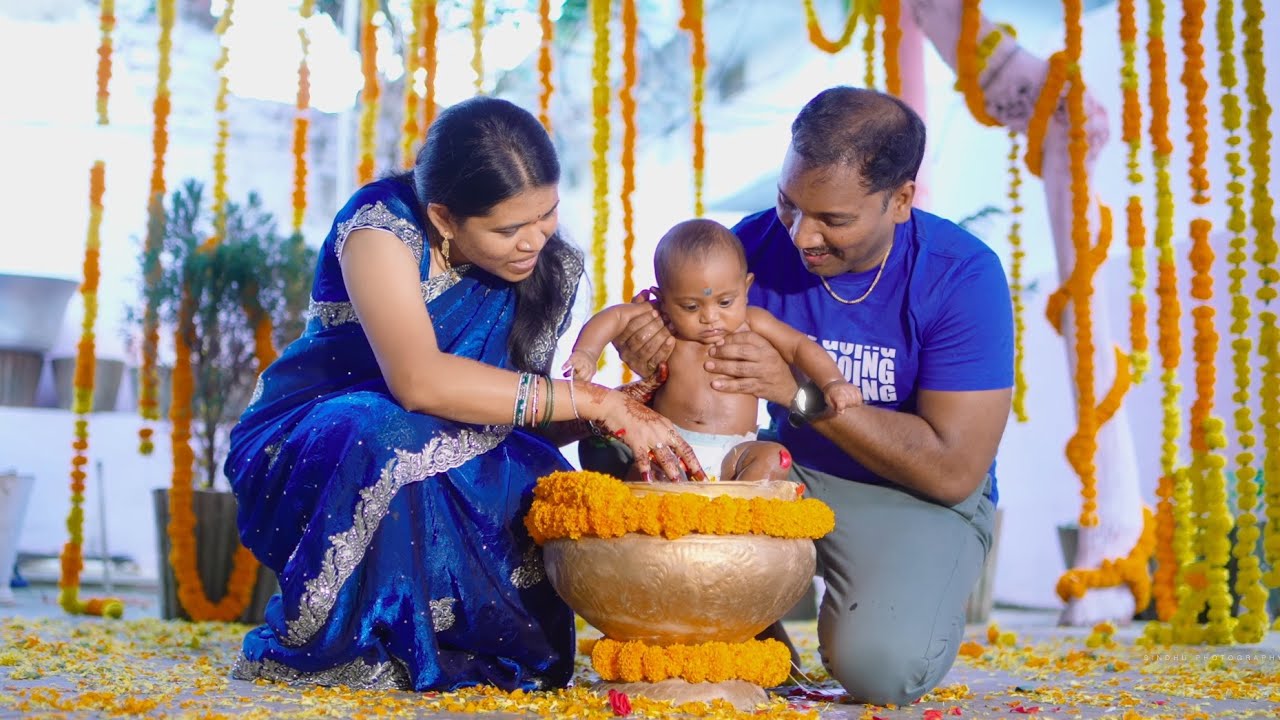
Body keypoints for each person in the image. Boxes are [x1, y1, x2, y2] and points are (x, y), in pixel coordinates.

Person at [224, 96, 704, 693]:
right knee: (377, 426)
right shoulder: (380, 228)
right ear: (445, 218)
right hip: (320, 436)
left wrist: (620, 405)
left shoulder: (533, 265)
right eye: (509, 229)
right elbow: (419, 383)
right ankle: (356, 639)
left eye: (548, 214)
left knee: (541, 473)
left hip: (455, 438)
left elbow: (513, 414)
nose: (535, 240)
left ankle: (464, 638)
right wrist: (591, 401)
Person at [599, 86, 1014, 705]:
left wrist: (795, 393)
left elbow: (952, 469)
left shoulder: (960, 276)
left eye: (833, 220)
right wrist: (650, 347)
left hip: (912, 494)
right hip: (781, 470)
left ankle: (776, 618)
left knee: (881, 667)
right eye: (788, 204)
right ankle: (751, 635)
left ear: (900, 201)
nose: (800, 235)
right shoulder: (753, 248)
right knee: (620, 451)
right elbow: (680, 341)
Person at [564, 218, 862, 482]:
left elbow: (800, 347)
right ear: (662, 299)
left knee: (774, 457)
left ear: (746, 288)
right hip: (673, 446)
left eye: (725, 302)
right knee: (650, 471)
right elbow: (615, 316)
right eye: (691, 307)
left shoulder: (752, 322)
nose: (710, 317)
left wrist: (832, 381)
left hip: (736, 451)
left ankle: (738, 519)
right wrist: (587, 353)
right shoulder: (666, 325)